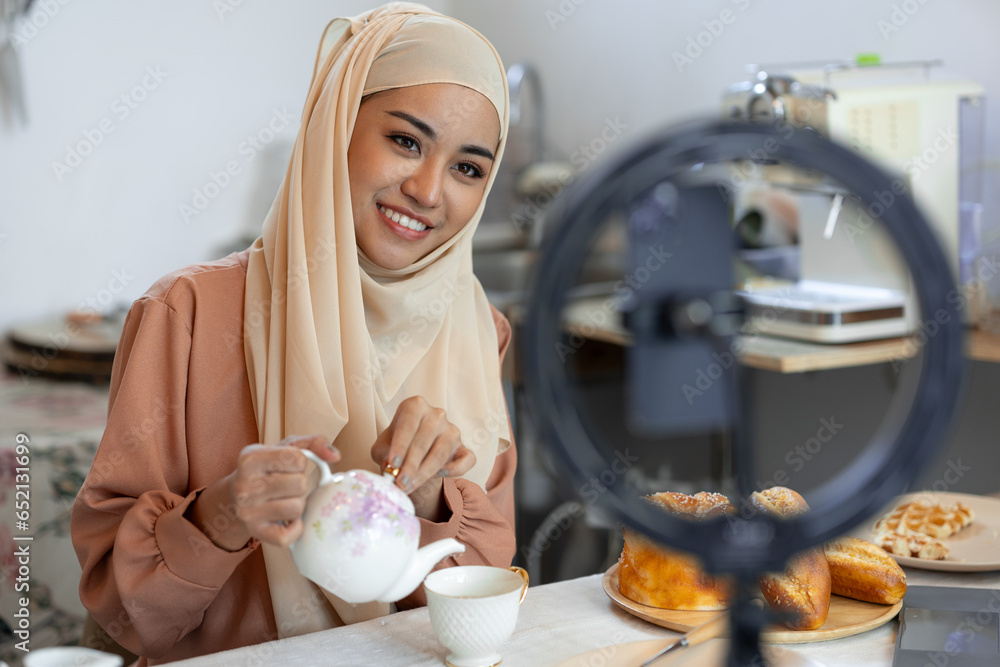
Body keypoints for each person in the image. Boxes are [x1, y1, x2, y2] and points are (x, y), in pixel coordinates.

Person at [70, 4, 516, 664]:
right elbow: (119, 609)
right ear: (336, 126)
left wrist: (434, 499)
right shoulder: (186, 312)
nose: (427, 190)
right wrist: (217, 517)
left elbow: (486, 591)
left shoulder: (479, 332)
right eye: (406, 141)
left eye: (468, 168)